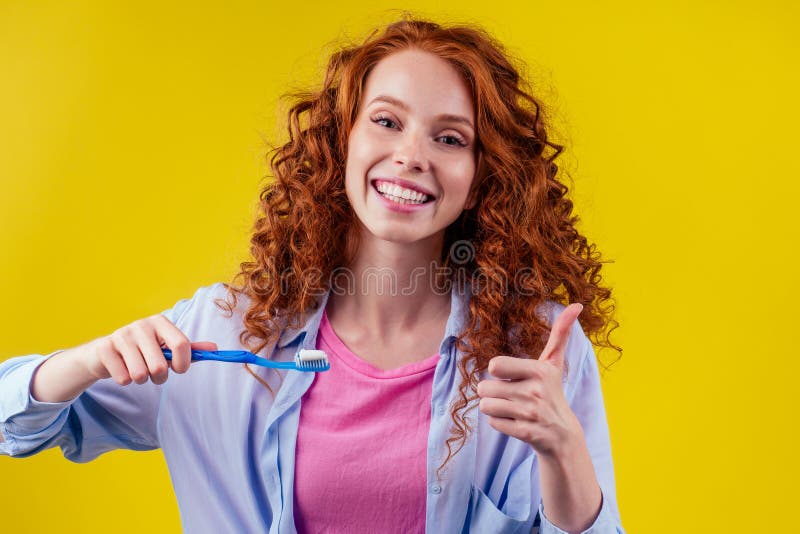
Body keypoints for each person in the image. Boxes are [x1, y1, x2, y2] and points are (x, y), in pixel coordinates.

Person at [0, 16, 625, 534]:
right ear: (340, 140)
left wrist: (562, 448)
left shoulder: (534, 351)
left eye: (451, 138)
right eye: (386, 121)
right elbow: (14, 425)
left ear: (484, 176)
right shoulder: (225, 335)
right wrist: (89, 361)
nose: (411, 155)